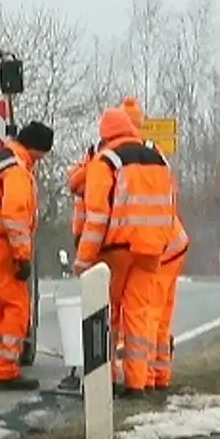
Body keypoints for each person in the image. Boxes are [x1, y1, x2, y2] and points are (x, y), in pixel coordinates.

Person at [73, 106, 177, 397]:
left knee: (108, 314)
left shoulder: (105, 162)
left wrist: (83, 262)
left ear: (104, 133)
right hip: (153, 248)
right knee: (139, 315)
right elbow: (170, 204)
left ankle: (106, 381)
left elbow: (97, 217)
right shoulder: (158, 158)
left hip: (116, 250)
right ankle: (136, 383)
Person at [0, 120, 53, 390]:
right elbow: (14, 215)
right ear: (36, 148)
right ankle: (5, 371)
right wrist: (22, 256)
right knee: (16, 306)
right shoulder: (16, 169)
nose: (40, 161)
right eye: (42, 155)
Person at [118, 96, 189, 389]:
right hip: (172, 241)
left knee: (144, 312)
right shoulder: (156, 155)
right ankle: (159, 374)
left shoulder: (120, 158)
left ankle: (144, 376)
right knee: (160, 314)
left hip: (150, 245)